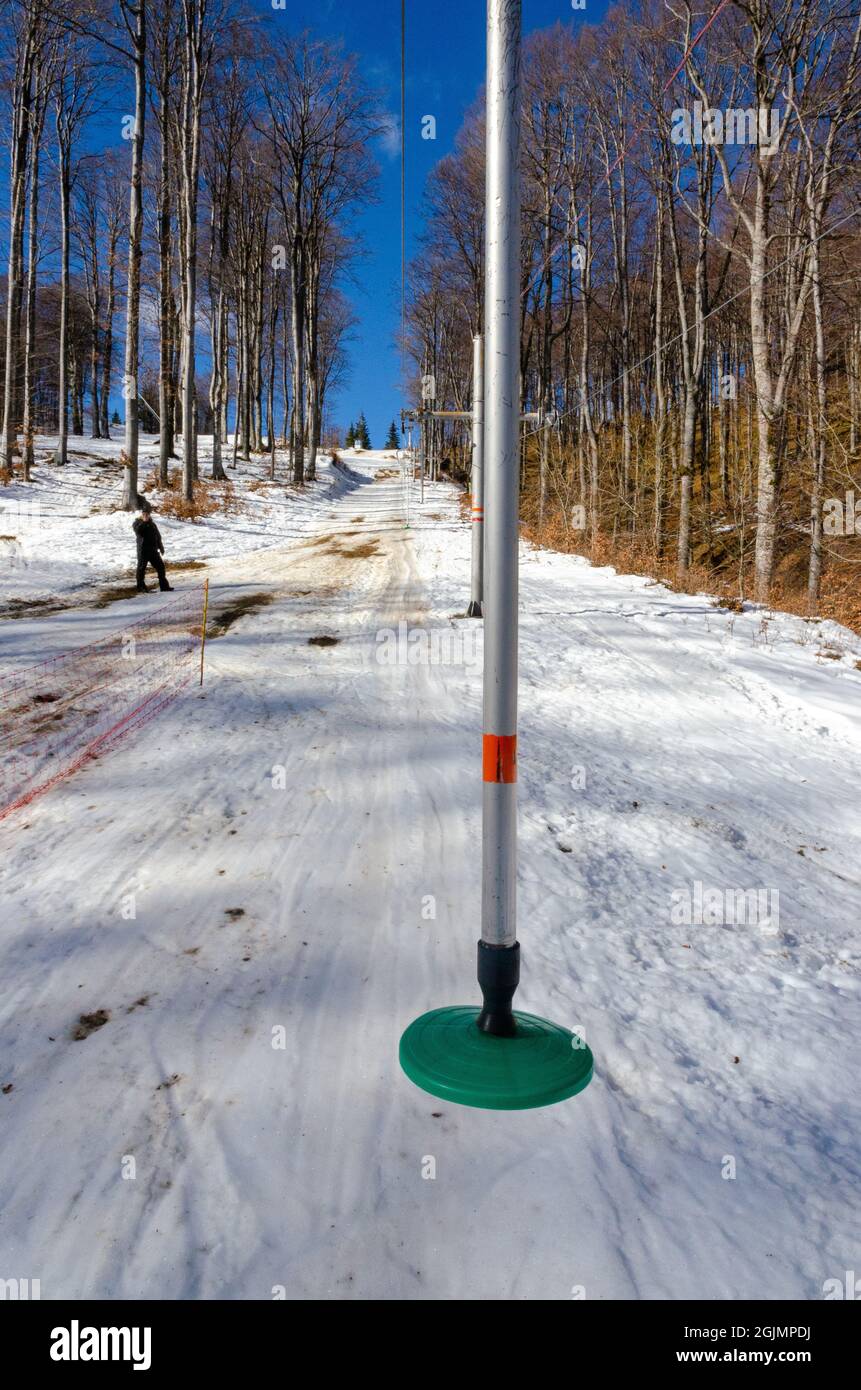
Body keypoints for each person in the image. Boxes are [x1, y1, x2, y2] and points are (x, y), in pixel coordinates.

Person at [133, 501, 174, 593]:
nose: (146, 515)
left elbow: (158, 537)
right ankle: (141, 587)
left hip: (153, 550)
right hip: (143, 550)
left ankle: (164, 586)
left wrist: (161, 547)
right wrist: (144, 522)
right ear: (141, 514)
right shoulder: (137, 523)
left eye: (147, 514)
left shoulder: (152, 524)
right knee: (141, 568)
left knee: (161, 567)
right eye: (144, 514)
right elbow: (138, 532)